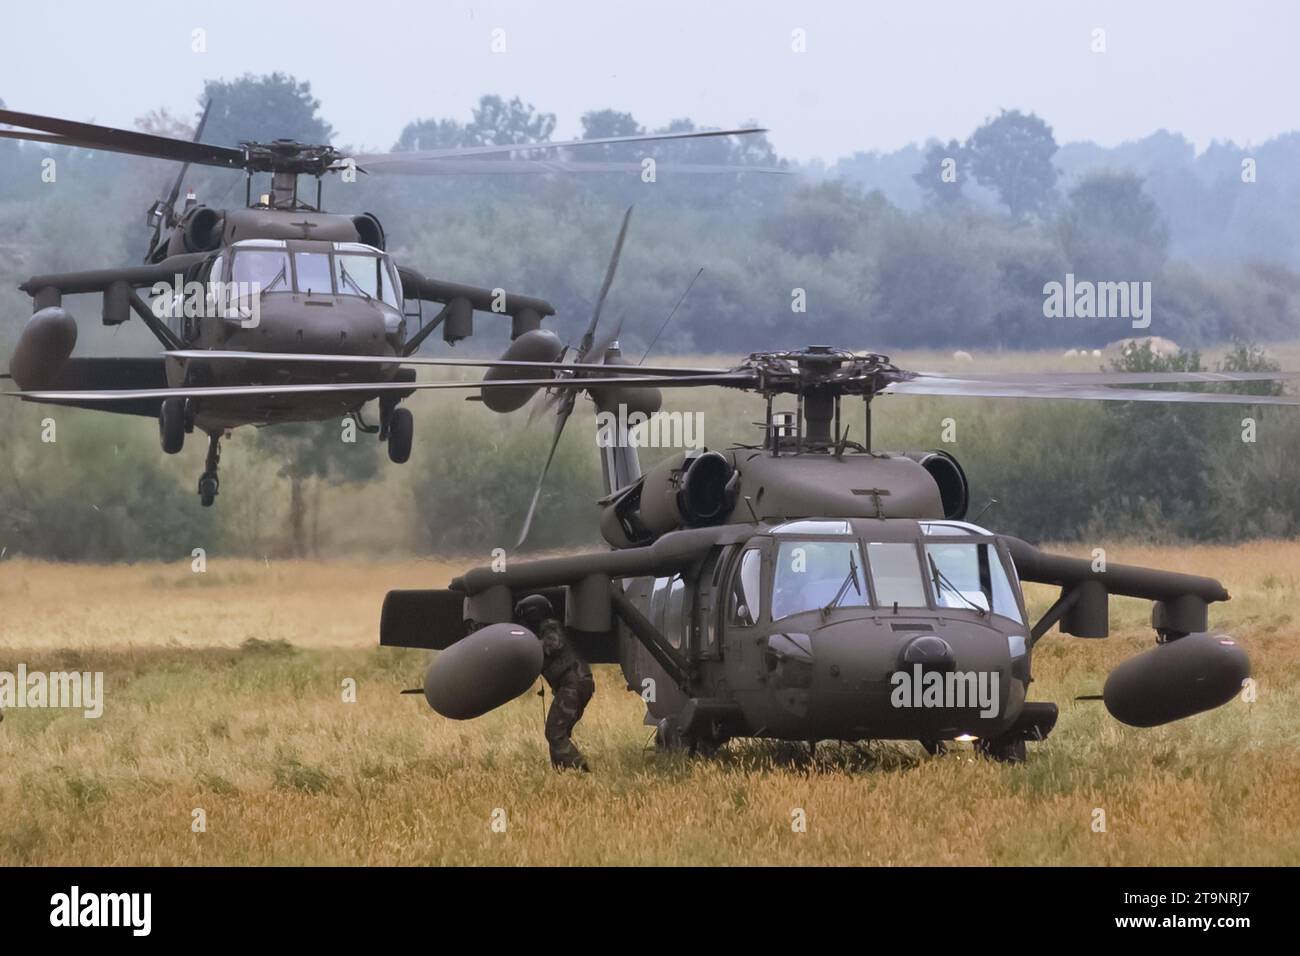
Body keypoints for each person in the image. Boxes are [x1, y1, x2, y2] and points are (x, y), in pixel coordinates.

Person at [515, 594, 594, 772]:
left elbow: (555, 642)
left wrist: (530, 644)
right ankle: (562, 772)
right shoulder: (546, 627)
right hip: (576, 684)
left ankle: (580, 771)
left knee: (554, 733)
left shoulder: (549, 626)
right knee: (560, 732)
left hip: (572, 685)